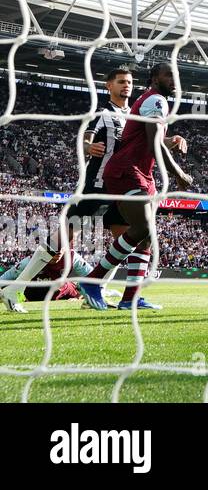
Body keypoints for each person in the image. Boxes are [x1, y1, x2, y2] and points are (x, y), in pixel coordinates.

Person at [1, 67, 133, 311]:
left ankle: (95, 294)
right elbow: (86, 137)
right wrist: (88, 147)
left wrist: (172, 140)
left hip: (119, 189)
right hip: (95, 185)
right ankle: (13, 289)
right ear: (109, 86)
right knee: (61, 241)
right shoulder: (102, 112)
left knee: (126, 240)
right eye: (121, 82)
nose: (127, 86)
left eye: (129, 82)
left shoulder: (134, 116)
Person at [78, 63, 192, 311]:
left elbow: (153, 140)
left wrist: (171, 141)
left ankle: (130, 298)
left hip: (142, 173)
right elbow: (154, 144)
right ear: (154, 78)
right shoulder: (155, 100)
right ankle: (92, 280)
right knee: (142, 227)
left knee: (147, 236)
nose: (174, 80)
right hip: (126, 171)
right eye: (168, 75)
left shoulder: (154, 101)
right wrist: (179, 172)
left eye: (177, 76)